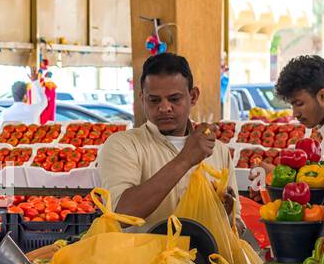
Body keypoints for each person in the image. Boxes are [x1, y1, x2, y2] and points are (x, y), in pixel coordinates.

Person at [97, 52, 238, 233]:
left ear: (193, 96)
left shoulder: (217, 150)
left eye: (174, 99)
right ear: (142, 99)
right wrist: (185, 159)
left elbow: (238, 227)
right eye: (154, 100)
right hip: (143, 261)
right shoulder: (123, 145)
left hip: (205, 260)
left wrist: (224, 214)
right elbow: (120, 214)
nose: (164, 108)